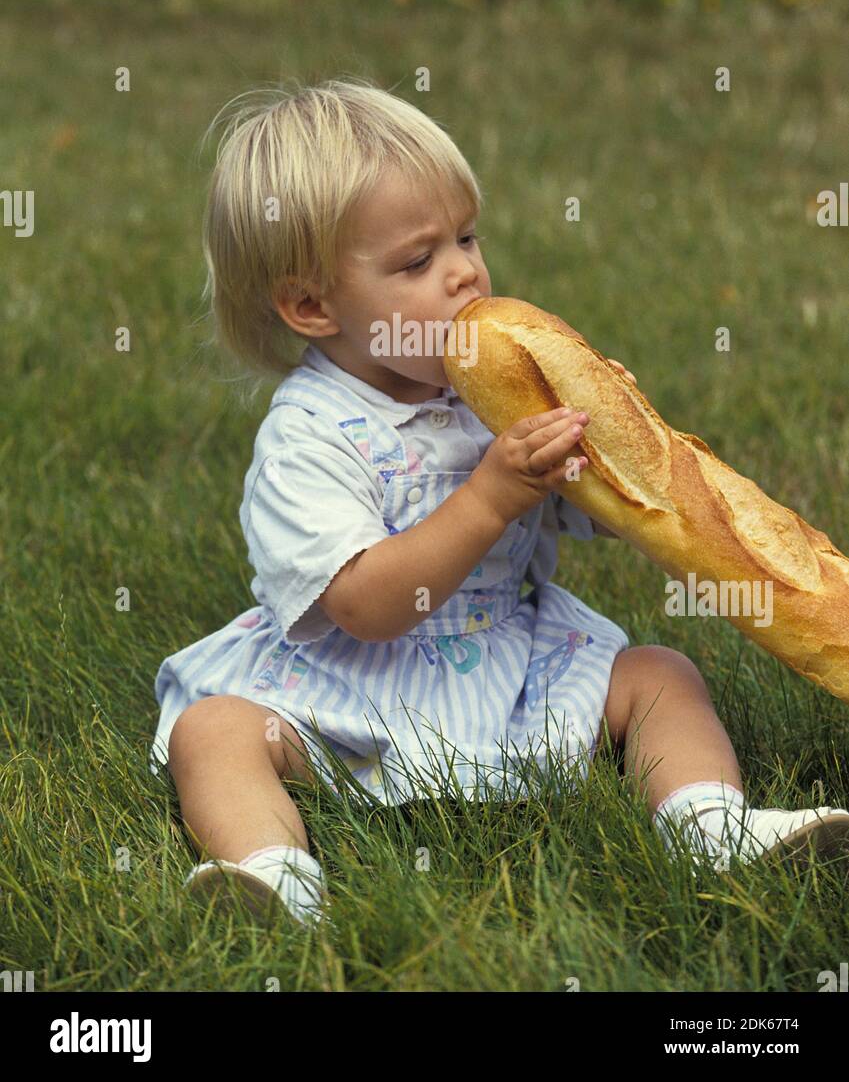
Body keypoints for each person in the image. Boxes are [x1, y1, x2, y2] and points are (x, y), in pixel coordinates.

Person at [149, 79, 849, 929]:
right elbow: (366, 604)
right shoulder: (308, 437)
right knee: (215, 732)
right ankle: (272, 874)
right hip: (343, 699)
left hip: (510, 671)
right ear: (310, 305)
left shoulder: (491, 394)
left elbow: (598, 512)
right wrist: (490, 496)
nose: (464, 272)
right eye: (417, 260)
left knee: (658, 675)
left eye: (466, 236)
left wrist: (613, 458)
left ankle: (708, 826)